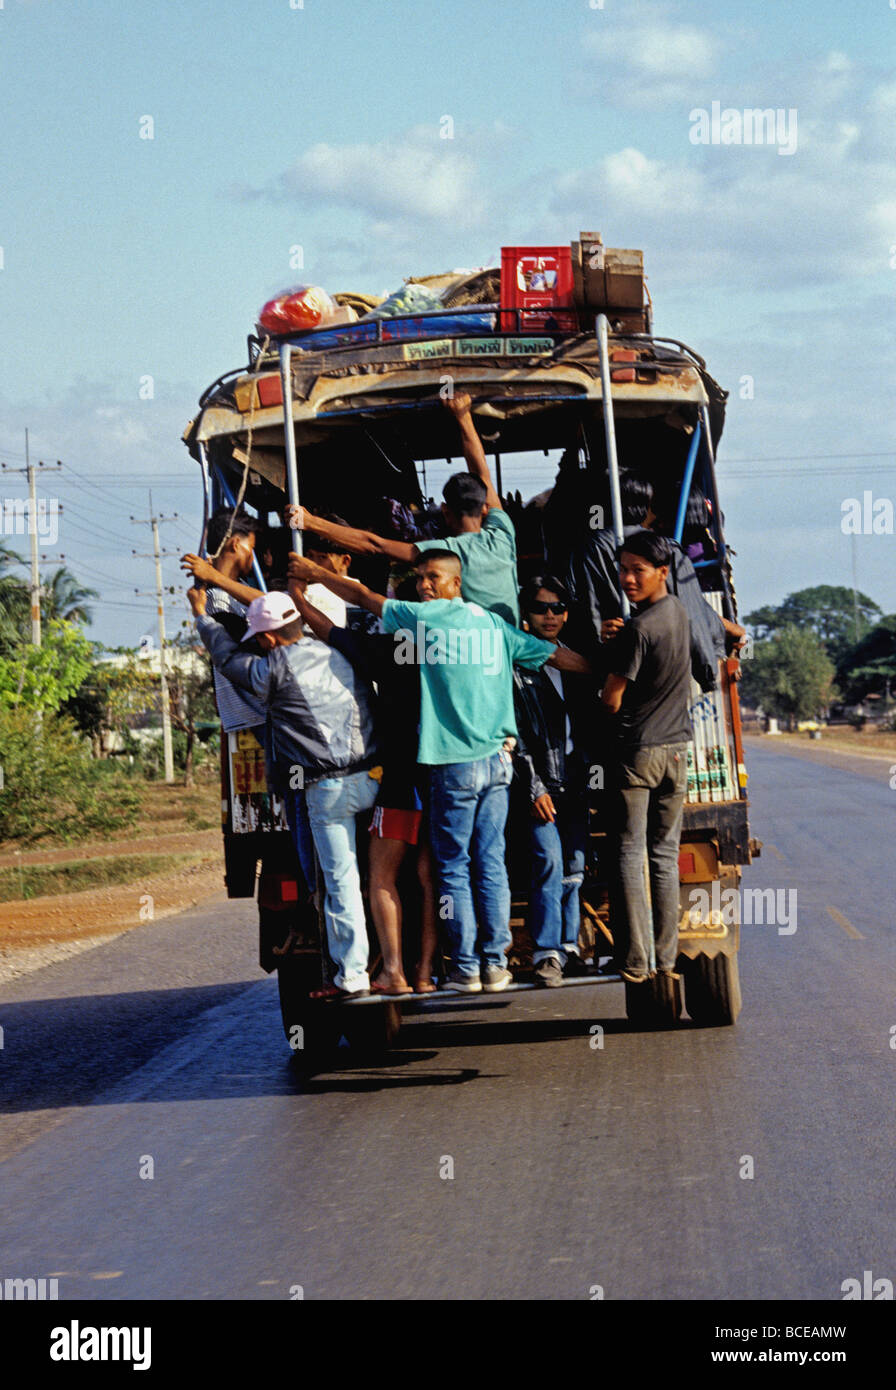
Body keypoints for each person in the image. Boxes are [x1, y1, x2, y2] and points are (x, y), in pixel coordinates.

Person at [287, 547, 591, 994]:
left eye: (432, 577)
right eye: (420, 578)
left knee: (453, 867)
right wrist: (611, 670)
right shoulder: (493, 625)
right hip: (499, 767)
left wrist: (310, 577)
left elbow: (364, 598)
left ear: (455, 583)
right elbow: (550, 655)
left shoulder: (425, 622)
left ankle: (466, 967)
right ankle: (495, 964)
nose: (425, 585)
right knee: (490, 865)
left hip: (454, 768)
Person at [188, 584, 380, 998]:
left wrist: (203, 617)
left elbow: (228, 660)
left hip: (327, 791)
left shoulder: (274, 667)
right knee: (384, 877)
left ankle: (352, 974)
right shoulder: (340, 649)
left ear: (268, 638)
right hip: (374, 780)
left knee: (337, 883)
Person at [289, 576, 439, 997]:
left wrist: (298, 598)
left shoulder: (387, 650)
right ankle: (426, 970)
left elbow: (329, 631)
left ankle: (393, 970)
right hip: (444, 779)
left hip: (397, 783)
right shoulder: (454, 647)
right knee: (432, 879)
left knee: (381, 879)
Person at [284, 392, 521, 624]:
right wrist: (464, 417)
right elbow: (484, 476)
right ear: (485, 510)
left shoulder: (449, 552)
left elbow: (375, 546)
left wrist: (310, 522)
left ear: (446, 511)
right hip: (514, 648)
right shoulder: (503, 535)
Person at [599, 530, 692, 985]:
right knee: (664, 855)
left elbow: (612, 697)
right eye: (623, 569)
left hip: (638, 753)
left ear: (662, 571)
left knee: (628, 852)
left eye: (638, 570)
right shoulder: (678, 613)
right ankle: (666, 958)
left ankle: (636, 961)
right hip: (678, 754)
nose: (628, 578)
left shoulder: (640, 628)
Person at [512, 575, 594, 987]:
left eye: (558, 608)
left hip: (576, 783)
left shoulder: (577, 663)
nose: (550, 615)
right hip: (539, 784)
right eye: (541, 608)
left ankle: (571, 948)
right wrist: (534, 788)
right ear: (525, 614)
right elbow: (512, 736)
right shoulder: (516, 667)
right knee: (548, 862)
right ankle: (546, 954)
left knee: (574, 868)